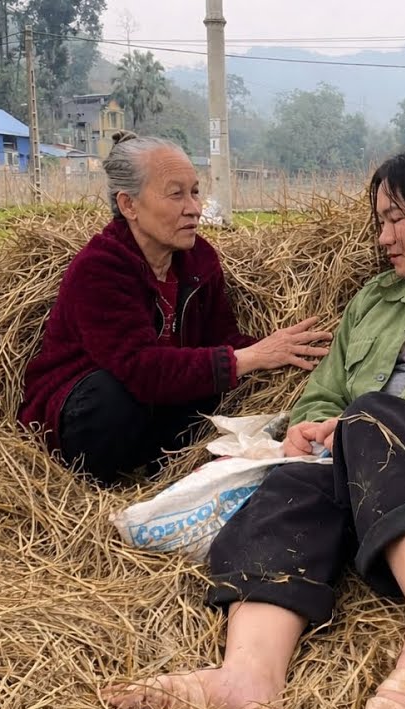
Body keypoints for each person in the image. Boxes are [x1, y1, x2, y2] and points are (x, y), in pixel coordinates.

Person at [104, 142, 405, 709]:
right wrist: (309, 427)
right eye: (380, 222)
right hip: (374, 473)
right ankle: (247, 676)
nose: (383, 238)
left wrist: (367, 419)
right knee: (290, 485)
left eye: (395, 219)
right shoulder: (375, 301)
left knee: (376, 418)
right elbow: (326, 390)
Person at [18, 131, 331, 485]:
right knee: (114, 396)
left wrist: (277, 350)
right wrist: (251, 357)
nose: (194, 208)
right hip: (85, 419)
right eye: (176, 194)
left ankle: (161, 468)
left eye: (195, 192)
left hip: (155, 411)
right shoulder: (100, 268)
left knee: (210, 388)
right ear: (129, 205)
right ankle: (103, 480)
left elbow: (222, 338)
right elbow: (141, 369)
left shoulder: (199, 259)